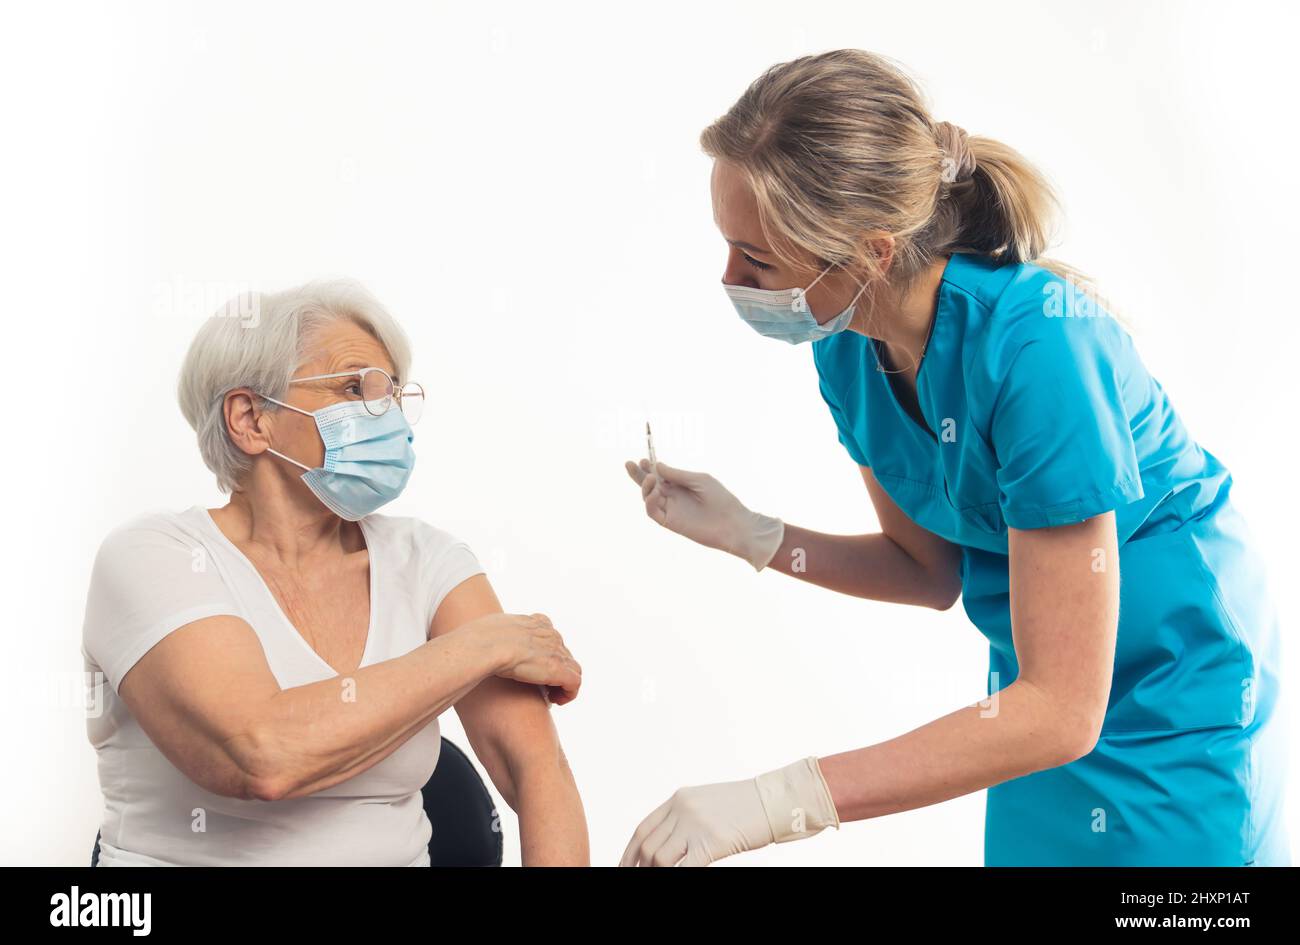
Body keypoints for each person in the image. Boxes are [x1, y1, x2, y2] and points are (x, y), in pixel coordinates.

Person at [621, 49, 1288, 867]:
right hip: (1031, 698)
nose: (730, 279)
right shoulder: (846, 348)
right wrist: (755, 534)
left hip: (1170, 691)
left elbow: (1062, 714)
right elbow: (927, 571)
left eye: (755, 257)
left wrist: (778, 803)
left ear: (867, 252)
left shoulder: (1043, 346)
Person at [83, 278, 587, 865]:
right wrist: (482, 646)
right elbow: (262, 755)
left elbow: (537, 769)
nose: (389, 419)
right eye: (354, 388)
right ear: (250, 419)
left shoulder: (426, 559)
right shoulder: (153, 555)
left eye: (393, 396)